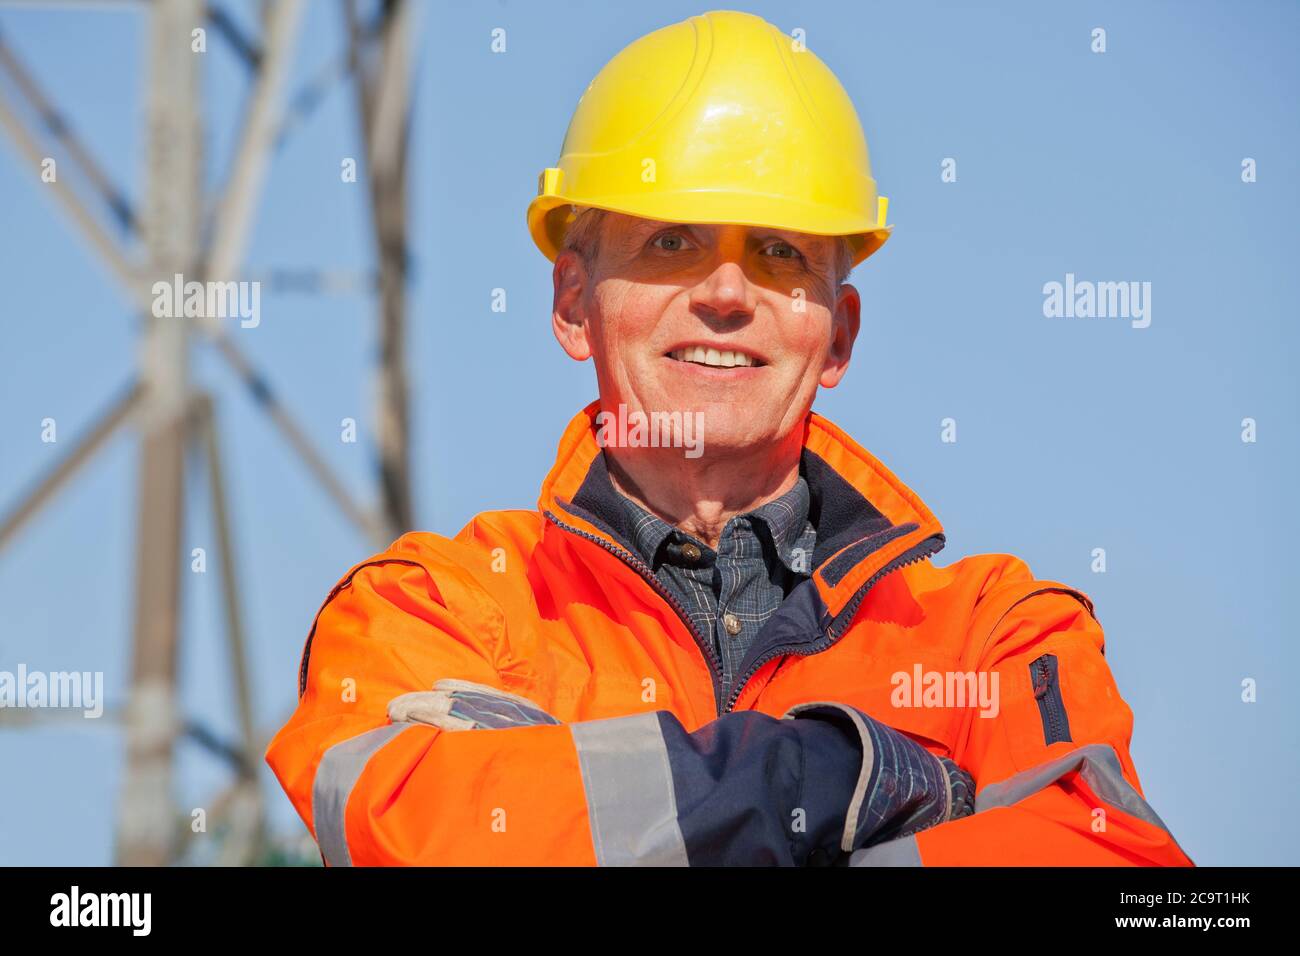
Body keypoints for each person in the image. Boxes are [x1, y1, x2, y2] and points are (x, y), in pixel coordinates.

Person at [265, 9, 1192, 867]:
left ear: (839, 336)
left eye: (780, 252)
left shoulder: (994, 636)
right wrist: (828, 780)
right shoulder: (433, 611)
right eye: (672, 240)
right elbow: (426, 823)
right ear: (574, 302)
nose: (726, 293)